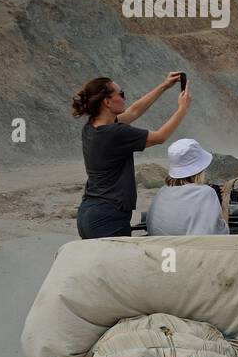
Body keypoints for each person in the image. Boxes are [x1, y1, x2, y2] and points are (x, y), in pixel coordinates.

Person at [72, 73, 190, 239]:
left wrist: (164, 86)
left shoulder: (92, 127)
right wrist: (182, 109)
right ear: (107, 102)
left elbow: (134, 111)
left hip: (90, 213)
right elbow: (160, 137)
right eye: (121, 94)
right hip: (108, 216)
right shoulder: (114, 133)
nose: (124, 98)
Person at [145, 138, 229, 235]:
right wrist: (225, 207)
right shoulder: (206, 193)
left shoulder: (162, 192)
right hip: (186, 249)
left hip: (158, 247)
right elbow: (219, 235)